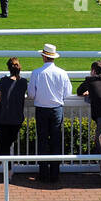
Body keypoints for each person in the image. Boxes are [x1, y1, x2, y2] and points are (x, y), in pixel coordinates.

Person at [27, 44, 72, 183]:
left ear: (44, 56)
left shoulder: (37, 73)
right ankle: (55, 173)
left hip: (41, 109)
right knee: (56, 141)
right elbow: (67, 93)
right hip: (56, 109)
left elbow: (31, 94)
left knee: (42, 141)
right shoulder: (62, 73)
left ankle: (43, 173)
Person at [0, 57, 28, 181]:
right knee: (7, 145)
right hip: (16, 119)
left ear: (8, 68)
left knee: (4, 145)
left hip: (2, 118)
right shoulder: (23, 82)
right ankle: (8, 172)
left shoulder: (3, 81)